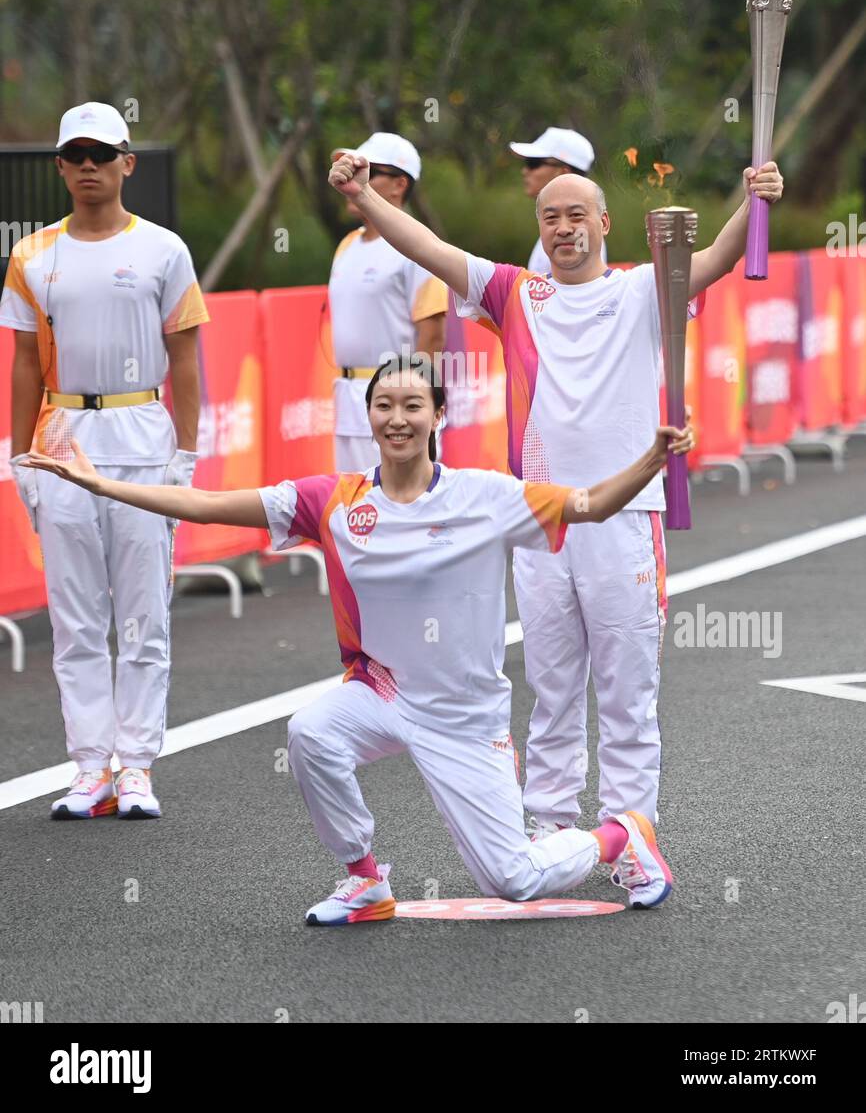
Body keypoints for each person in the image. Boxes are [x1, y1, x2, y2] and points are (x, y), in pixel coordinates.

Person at [24, 356, 694, 921]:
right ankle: (366, 879)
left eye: (411, 405)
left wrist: (650, 460)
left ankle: (622, 835)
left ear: (438, 415)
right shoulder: (334, 500)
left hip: (464, 717)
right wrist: (99, 483)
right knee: (311, 733)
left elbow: (589, 505)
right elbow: (207, 504)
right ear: (368, 416)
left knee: (513, 879)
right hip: (382, 693)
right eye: (382, 405)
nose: (396, 418)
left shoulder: (486, 497)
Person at [327, 149, 784, 894]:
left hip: (627, 515)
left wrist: (754, 198)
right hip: (540, 518)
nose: (565, 227)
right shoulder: (515, 295)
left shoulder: (645, 290)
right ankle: (549, 826)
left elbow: (716, 259)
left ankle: (633, 831)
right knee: (550, 682)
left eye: (578, 215)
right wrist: (364, 200)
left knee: (626, 688)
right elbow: (428, 248)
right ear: (541, 229)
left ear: (604, 223)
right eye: (552, 218)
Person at [1, 102, 208, 820]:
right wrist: (20, 454)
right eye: (75, 154)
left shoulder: (163, 250)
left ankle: (139, 766)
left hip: (140, 430)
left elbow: (186, 358)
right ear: (59, 166)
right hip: (61, 434)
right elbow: (24, 360)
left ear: (128, 162)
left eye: (102, 152)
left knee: (143, 609)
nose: (89, 165)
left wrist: (184, 455)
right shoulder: (32, 255)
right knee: (77, 613)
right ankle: (90, 766)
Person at [328, 132, 447, 470]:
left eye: (368, 170)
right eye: (348, 167)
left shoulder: (419, 246)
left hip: (396, 398)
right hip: (349, 395)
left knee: (404, 506)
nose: (351, 176)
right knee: (354, 505)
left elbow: (433, 334)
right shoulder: (347, 245)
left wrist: (417, 403)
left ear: (399, 184)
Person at [509, 126, 598, 273]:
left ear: (563, 173)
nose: (524, 171)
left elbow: (579, 293)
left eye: (533, 164)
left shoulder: (578, 233)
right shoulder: (562, 229)